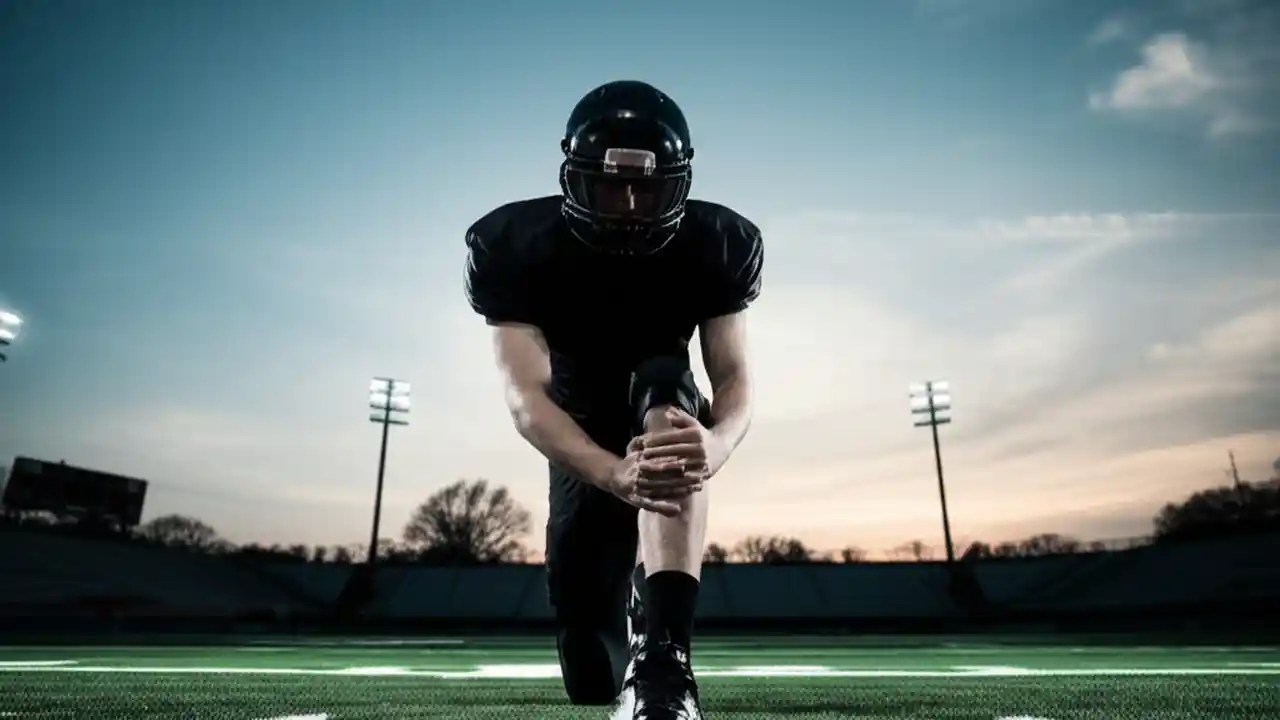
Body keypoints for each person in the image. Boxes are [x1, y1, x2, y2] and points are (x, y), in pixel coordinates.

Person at [463, 79, 763, 719]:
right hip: (577, 431)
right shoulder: (514, 245)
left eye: (648, 188)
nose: (629, 205)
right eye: (610, 185)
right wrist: (607, 472)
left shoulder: (715, 243)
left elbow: (733, 377)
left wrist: (717, 442)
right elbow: (526, 400)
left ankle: (665, 661)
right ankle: (622, 606)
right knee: (590, 673)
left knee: (670, 409)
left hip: (660, 397)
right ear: (575, 179)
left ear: (676, 185)